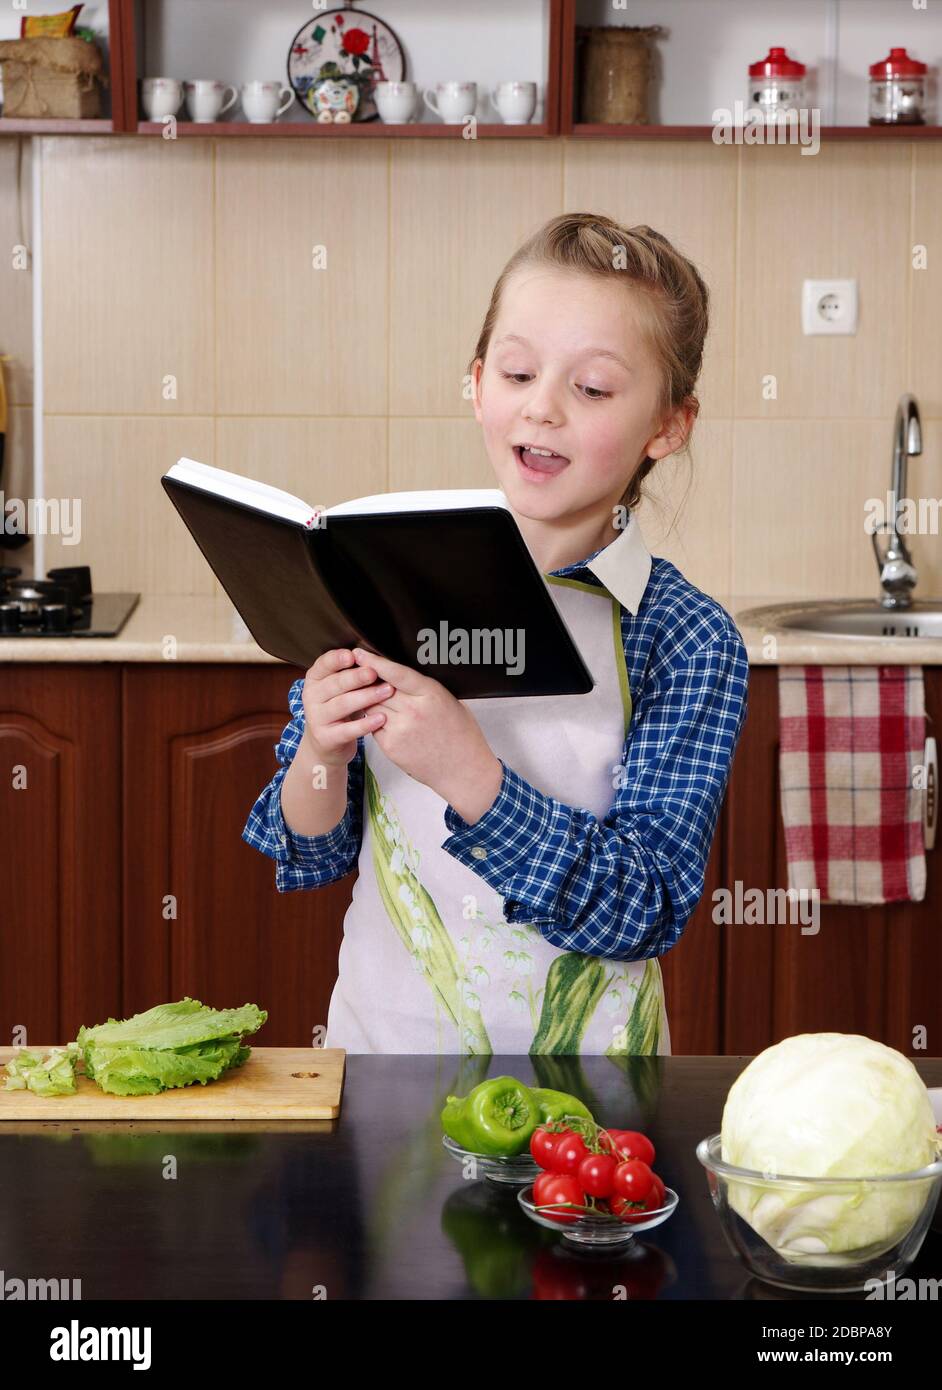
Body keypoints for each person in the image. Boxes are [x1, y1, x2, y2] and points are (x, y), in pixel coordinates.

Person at [242, 212, 749, 1056]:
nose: (541, 408)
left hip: (590, 1102)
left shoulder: (683, 637)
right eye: (517, 372)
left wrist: (471, 774)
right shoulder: (381, 581)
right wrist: (320, 755)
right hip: (376, 1068)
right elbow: (307, 853)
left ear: (668, 425)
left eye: (591, 389)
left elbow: (647, 904)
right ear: (477, 384)